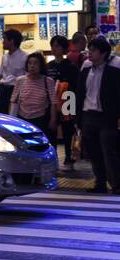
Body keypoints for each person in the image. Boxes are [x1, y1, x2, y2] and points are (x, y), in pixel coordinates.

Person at [75, 37, 120, 194]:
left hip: (107, 116)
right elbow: (79, 92)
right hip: (88, 114)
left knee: (109, 151)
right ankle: (99, 183)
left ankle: (116, 185)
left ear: (103, 53)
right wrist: (78, 117)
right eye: (89, 50)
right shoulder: (86, 67)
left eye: (93, 50)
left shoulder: (114, 68)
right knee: (93, 151)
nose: (89, 53)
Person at [46, 35, 79, 173]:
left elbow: (76, 86)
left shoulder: (71, 66)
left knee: (68, 130)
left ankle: (69, 159)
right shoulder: (48, 66)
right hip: (51, 101)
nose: (54, 48)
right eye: (53, 45)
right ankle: (53, 160)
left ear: (64, 48)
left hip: (68, 99)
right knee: (51, 131)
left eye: (58, 46)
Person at [10, 52, 56, 137]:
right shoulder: (20, 80)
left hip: (41, 118)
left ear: (41, 65)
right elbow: (14, 101)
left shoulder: (48, 81)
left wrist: (53, 120)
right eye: (30, 63)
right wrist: (12, 120)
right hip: (23, 118)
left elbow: (53, 102)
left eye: (35, 63)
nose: (32, 66)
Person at [0, 28, 26, 114]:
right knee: (0, 115)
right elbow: (0, 75)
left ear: (11, 41)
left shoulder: (25, 57)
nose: (2, 42)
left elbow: (27, 78)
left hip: (15, 90)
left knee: (13, 115)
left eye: (4, 39)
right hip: (2, 89)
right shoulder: (4, 57)